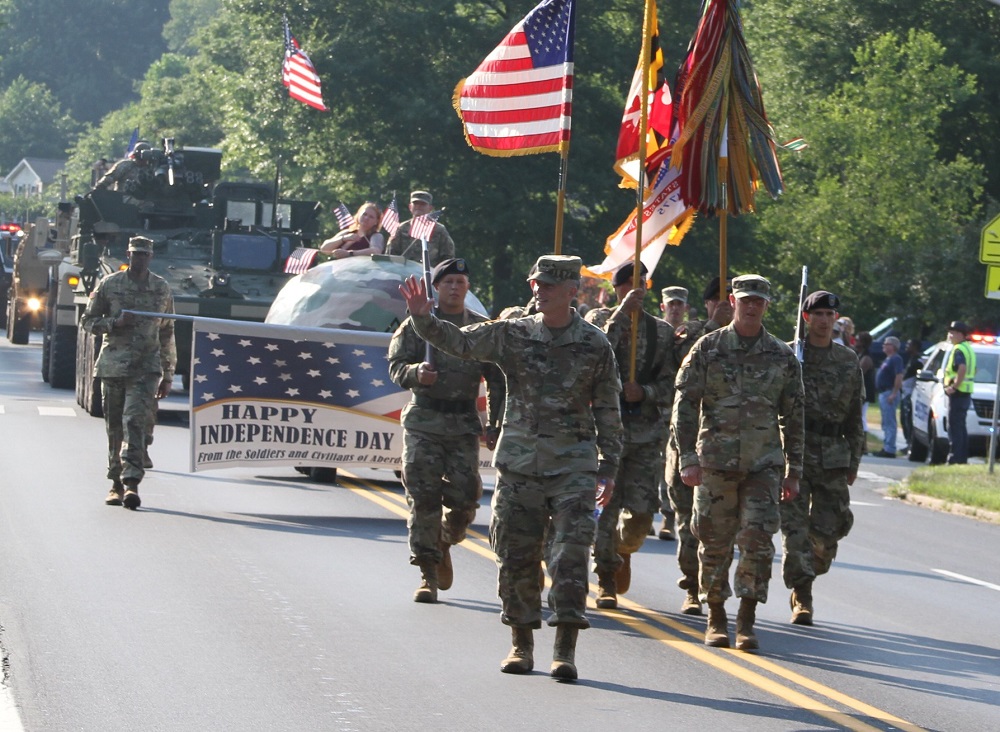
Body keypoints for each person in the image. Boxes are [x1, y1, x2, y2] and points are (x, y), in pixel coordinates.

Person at [398, 255, 622, 681]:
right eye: (536, 283)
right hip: (519, 465)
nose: (539, 290)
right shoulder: (513, 333)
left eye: (549, 286)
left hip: (574, 465)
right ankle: (521, 643)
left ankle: (565, 649)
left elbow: (609, 410)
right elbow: (460, 342)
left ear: (572, 291)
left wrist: (608, 468)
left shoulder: (594, 345)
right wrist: (421, 318)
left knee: (570, 557)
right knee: (516, 557)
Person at [672, 274, 804, 651]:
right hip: (715, 463)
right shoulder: (707, 348)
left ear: (766, 305)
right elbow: (684, 404)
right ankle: (716, 616)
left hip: (763, 465)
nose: (751, 306)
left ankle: (746, 620)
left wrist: (794, 470)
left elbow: (794, 416)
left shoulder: (781, 356)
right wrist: (687, 457)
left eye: (758, 301)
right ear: (732, 300)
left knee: (758, 541)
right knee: (713, 542)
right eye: (745, 299)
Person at [388, 258, 505, 603]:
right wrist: (415, 375)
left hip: (462, 424)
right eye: (449, 282)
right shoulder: (417, 325)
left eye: (461, 282)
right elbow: (395, 366)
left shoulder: (481, 329)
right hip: (424, 421)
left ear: (468, 288)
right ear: (437, 288)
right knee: (423, 499)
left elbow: (498, 379)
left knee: (466, 499)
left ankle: (446, 538)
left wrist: (496, 423)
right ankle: (427, 572)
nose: (455, 287)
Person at [584, 262, 676, 610]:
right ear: (616, 288)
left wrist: (647, 392)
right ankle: (606, 578)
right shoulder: (597, 321)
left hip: (645, 435)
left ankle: (623, 551)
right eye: (627, 285)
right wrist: (621, 314)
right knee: (604, 511)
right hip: (605, 432)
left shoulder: (661, 332)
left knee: (639, 517)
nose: (634, 291)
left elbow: (671, 381)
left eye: (640, 285)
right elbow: (594, 354)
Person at [780, 291, 864, 626]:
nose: (825, 320)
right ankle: (803, 595)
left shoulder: (847, 361)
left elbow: (856, 416)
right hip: (795, 453)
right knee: (795, 531)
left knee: (829, 533)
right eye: (818, 314)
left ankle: (808, 572)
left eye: (830, 314)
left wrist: (854, 461)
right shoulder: (788, 356)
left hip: (832, 455)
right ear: (806, 318)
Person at [81, 236, 176, 510]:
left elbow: (168, 332)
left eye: (145, 254)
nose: (140, 259)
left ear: (151, 256)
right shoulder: (110, 284)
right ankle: (116, 485)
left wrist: (167, 374)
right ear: (128, 255)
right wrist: (115, 322)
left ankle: (132, 483)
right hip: (114, 366)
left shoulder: (161, 287)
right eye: (136, 254)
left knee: (134, 422)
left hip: (146, 368)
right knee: (114, 428)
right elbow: (88, 321)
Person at [663, 275, 734, 615]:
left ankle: (716, 585)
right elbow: (675, 364)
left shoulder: (749, 343)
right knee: (688, 521)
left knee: (722, 524)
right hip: (687, 442)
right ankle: (692, 585)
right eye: (717, 300)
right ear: (706, 304)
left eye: (729, 299)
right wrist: (711, 325)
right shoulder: (691, 334)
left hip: (728, 449)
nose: (724, 305)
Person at [655, 285, 689, 543]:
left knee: (672, 464)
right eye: (671, 304)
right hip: (653, 407)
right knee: (651, 463)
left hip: (678, 409)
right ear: (663, 306)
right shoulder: (655, 332)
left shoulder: (690, 335)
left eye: (680, 304)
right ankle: (644, 509)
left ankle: (668, 516)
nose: (675, 308)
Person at [385, 190, 455, 266]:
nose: (418, 206)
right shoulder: (401, 229)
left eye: (423, 204)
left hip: (430, 274)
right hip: (403, 273)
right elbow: (390, 255)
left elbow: (448, 257)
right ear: (410, 207)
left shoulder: (439, 230)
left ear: (430, 208)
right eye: (415, 204)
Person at [943, 321, 976, 464]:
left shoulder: (959, 350)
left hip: (958, 393)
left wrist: (954, 386)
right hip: (965, 393)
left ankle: (955, 458)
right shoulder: (968, 348)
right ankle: (961, 458)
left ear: (960, 334)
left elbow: (962, 368)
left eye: (952, 333)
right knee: (961, 427)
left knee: (955, 427)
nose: (950, 335)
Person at [873, 336, 904, 458]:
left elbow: (899, 376)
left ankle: (890, 449)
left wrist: (894, 393)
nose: (884, 346)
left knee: (890, 421)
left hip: (889, 392)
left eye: (887, 344)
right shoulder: (888, 359)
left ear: (893, 347)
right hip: (883, 393)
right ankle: (886, 446)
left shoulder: (896, 359)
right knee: (885, 421)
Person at [319, 201, 386, 258]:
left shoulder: (376, 236)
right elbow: (324, 248)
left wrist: (350, 254)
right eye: (364, 214)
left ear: (376, 222)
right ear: (359, 215)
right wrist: (343, 238)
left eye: (371, 217)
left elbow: (376, 251)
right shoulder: (347, 232)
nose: (366, 218)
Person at [900, 338, 924, 449]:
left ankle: (910, 443)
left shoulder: (918, 361)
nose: (907, 346)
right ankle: (908, 442)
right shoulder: (911, 359)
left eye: (909, 344)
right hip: (905, 392)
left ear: (915, 347)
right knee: (903, 419)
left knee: (908, 419)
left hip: (910, 394)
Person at [855, 332, 876, 451]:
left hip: (864, 392)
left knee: (861, 418)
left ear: (863, 342)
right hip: (861, 391)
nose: (856, 342)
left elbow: (858, 372)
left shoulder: (867, 357)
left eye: (858, 340)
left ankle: (864, 445)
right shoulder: (861, 354)